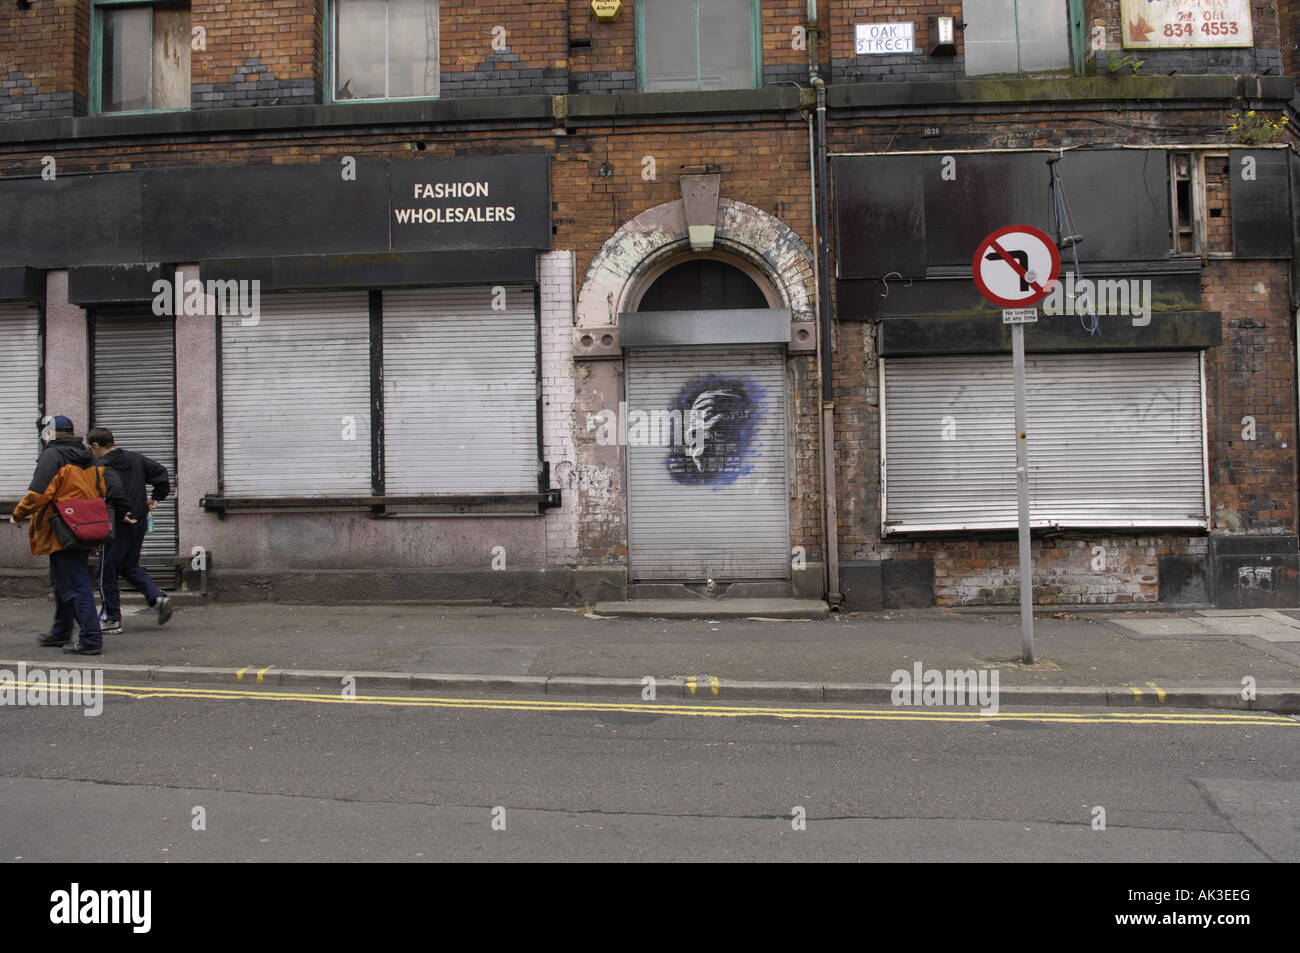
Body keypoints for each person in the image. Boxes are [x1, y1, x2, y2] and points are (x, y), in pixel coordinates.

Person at [8, 415, 128, 656]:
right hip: (86, 526)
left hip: (60, 529)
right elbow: (107, 488)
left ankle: (91, 638)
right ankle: (61, 631)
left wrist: (18, 513)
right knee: (61, 579)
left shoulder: (53, 456)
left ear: (49, 434)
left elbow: (38, 493)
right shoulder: (90, 457)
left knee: (74, 584)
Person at [86, 426, 174, 631]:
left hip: (117, 524)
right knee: (129, 566)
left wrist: (120, 512)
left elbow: (114, 491)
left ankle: (110, 619)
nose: (91, 452)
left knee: (106, 572)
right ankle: (158, 598)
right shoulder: (136, 458)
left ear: (96, 445)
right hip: (140, 520)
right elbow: (161, 472)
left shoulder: (101, 465)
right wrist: (157, 498)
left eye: (91, 448)